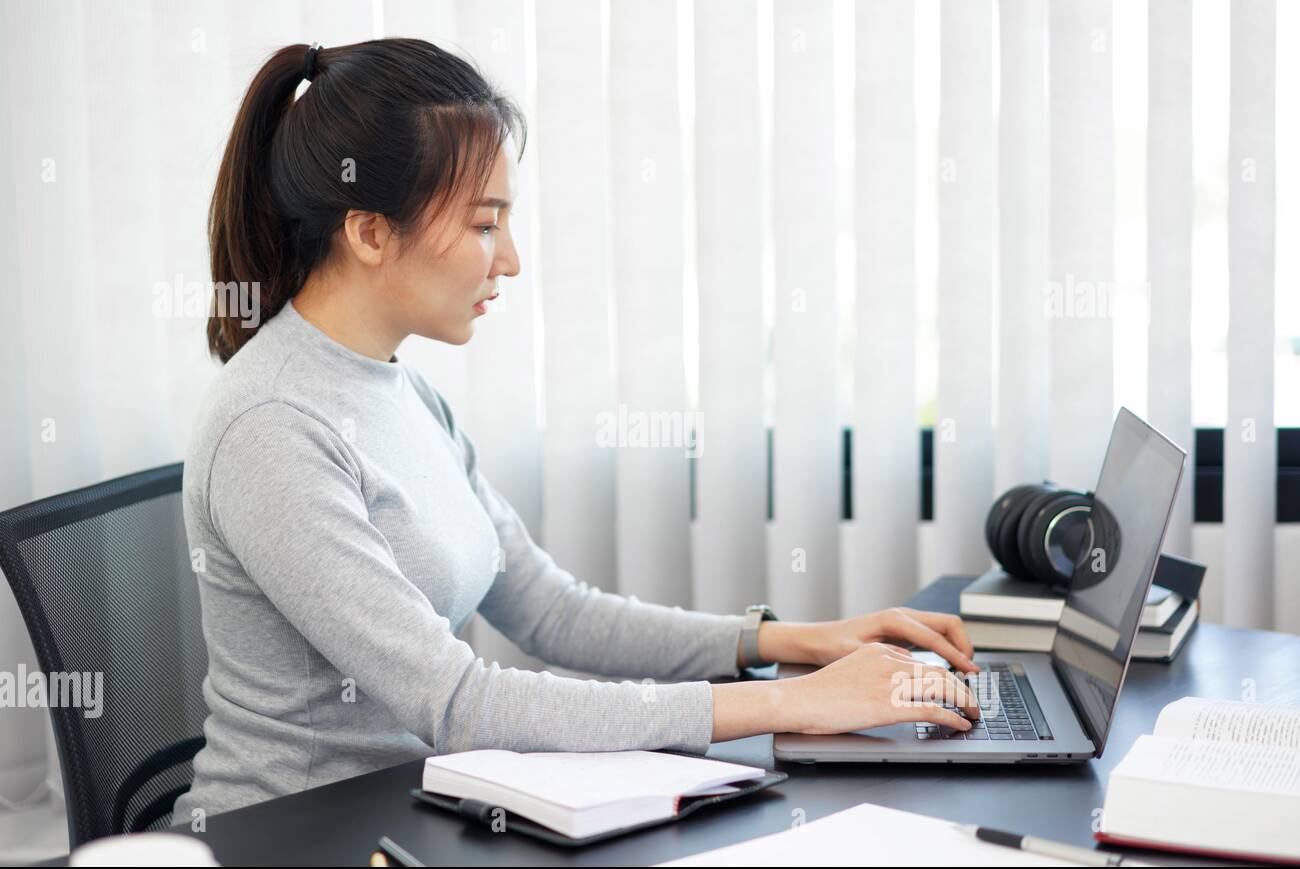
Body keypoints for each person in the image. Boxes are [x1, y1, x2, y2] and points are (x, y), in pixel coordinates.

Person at [172, 38, 978, 826]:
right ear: (371, 231)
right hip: (293, 835)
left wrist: (790, 640)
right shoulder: (272, 426)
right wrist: (788, 702)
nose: (511, 259)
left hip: (407, 811)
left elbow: (550, 610)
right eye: (485, 225)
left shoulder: (400, 387)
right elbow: (460, 702)